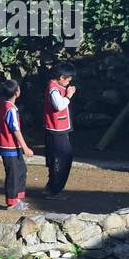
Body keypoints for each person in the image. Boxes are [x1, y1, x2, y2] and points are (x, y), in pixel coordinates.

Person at [0, 79, 33, 211]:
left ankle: (17, 199)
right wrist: (25, 147)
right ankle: (12, 201)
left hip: (11, 147)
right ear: (17, 92)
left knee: (21, 170)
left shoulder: (5, 106)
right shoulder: (10, 109)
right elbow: (15, 129)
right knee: (13, 174)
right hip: (9, 147)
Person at [42, 62, 76, 198]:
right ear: (61, 77)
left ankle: (51, 188)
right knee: (62, 159)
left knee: (57, 158)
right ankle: (55, 190)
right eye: (68, 79)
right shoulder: (54, 89)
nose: (69, 82)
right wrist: (69, 95)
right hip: (56, 130)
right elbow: (58, 106)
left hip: (57, 129)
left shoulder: (55, 87)